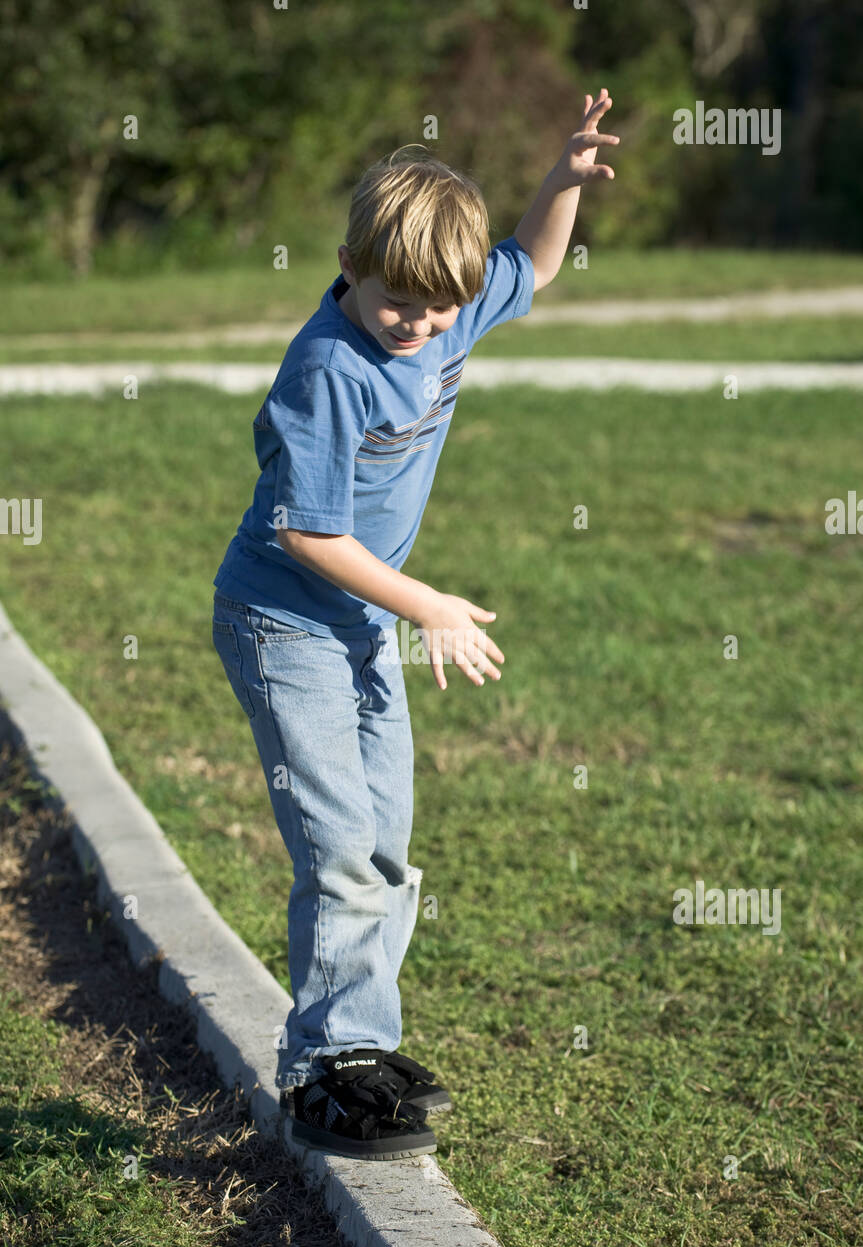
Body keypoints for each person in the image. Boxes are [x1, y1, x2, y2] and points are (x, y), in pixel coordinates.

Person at [211, 93, 618, 1160]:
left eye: (441, 312)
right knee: (339, 845)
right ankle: (323, 1068)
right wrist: (426, 602)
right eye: (399, 306)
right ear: (348, 264)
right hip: (284, 621)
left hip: (360, 626)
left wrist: (560, 185)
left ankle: (362, 1039)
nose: (420, 327)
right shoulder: (327, 370)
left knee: (387, 844)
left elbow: (527, 264)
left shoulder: (448, 297)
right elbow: (306, 534)